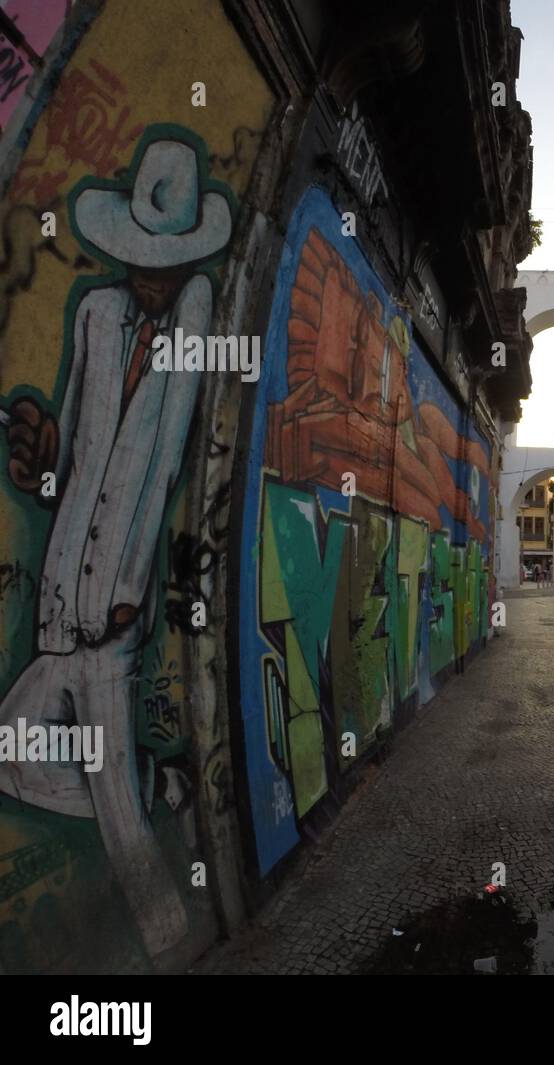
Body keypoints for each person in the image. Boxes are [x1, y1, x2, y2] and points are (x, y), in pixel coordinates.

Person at [0, 132, 235, 961]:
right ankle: (157, 782)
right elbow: (65, 467)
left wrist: (131, 587)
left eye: (162, 261)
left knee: (125, 835)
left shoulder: (193, 326)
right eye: (134, 255)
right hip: (63, 593)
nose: (146, 273)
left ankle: (168, 945)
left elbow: (166, 458)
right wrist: (36, 465)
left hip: (117, 613)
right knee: (15, 752)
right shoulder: (98, 317)